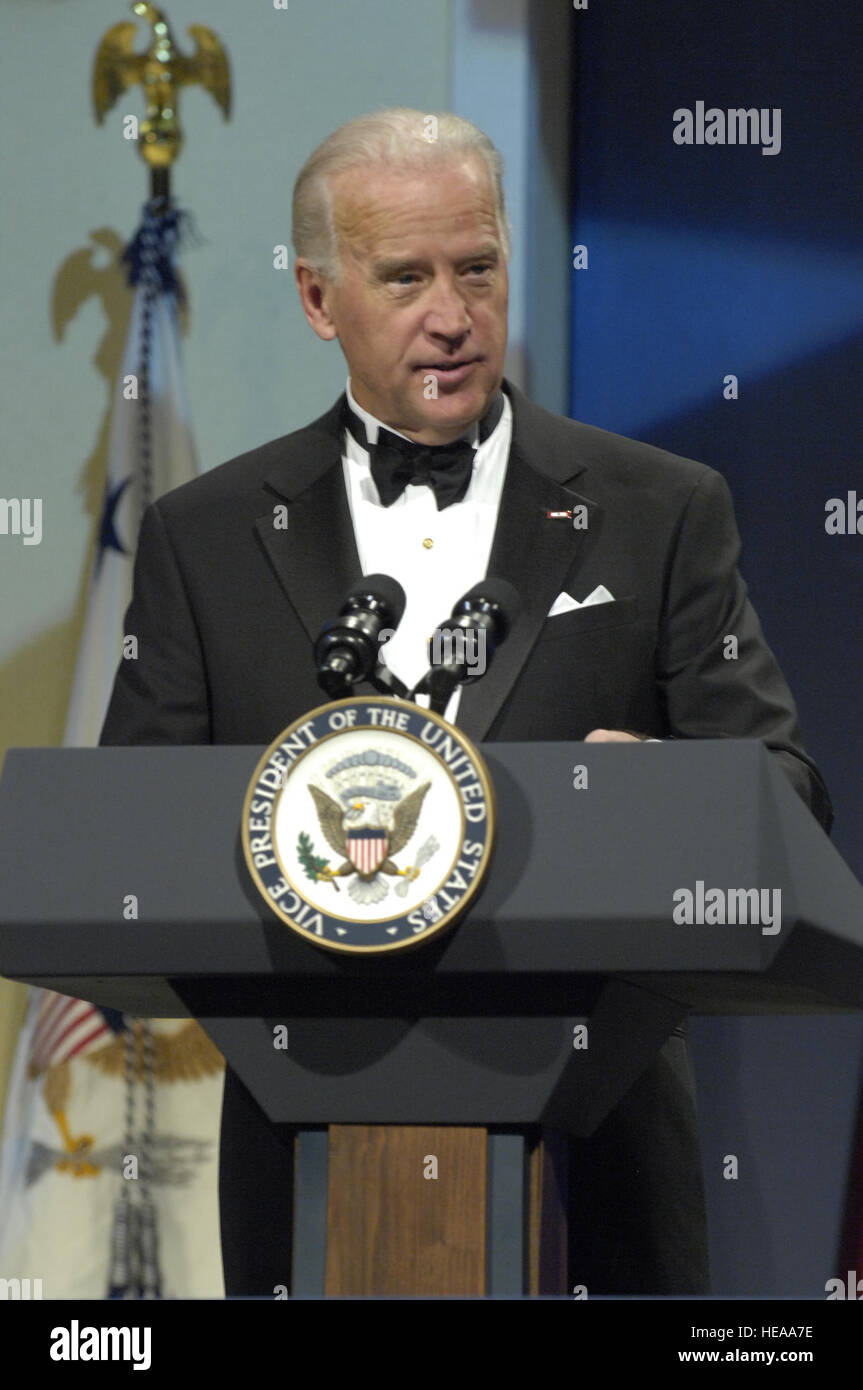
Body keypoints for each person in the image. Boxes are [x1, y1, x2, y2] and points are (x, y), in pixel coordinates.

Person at [100, 107, 832, 1296]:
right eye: (404, 278)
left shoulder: (660, 508)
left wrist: (672, 799)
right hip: (307, 1140)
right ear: (316, 300)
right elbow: (131, 827)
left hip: (603, 1163)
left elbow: (786, 788)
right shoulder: (207, 537)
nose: (451, 314)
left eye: (476, 268)